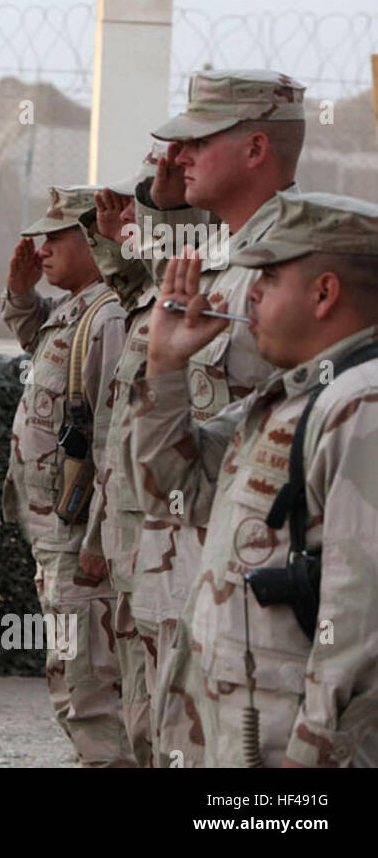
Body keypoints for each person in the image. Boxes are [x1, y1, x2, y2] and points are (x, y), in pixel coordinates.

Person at [132, 192, 378, 766]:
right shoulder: (297, 397)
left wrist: (313, 762)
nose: (253, 292)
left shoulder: (360, 407)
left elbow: (359, 633)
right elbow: (171, 491)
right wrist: (165, 368)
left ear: (324, 292)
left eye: (269, 274)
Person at [129, 69, 306, 765]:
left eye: (199, 141)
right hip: (184, 571)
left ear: (257, 148)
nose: (179, 155)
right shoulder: (220, 260)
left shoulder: (290, 267)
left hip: (249, 594)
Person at [0, 185, 132, 766]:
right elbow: (41, 344)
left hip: (82, 537)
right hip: (57, 532)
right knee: (72, 681)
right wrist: (21, 293)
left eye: (56, 236)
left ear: (94, 239)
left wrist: (99, 539)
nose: (42, 246)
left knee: (91, 689)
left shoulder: (110, 317)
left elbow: (113, 439)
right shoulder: (77, 312)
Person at [80, 150, 162, 767]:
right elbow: (113, 435)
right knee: (142, 722)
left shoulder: (211, 301)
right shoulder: (144, 306)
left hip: (174, 560)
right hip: (132, 552)